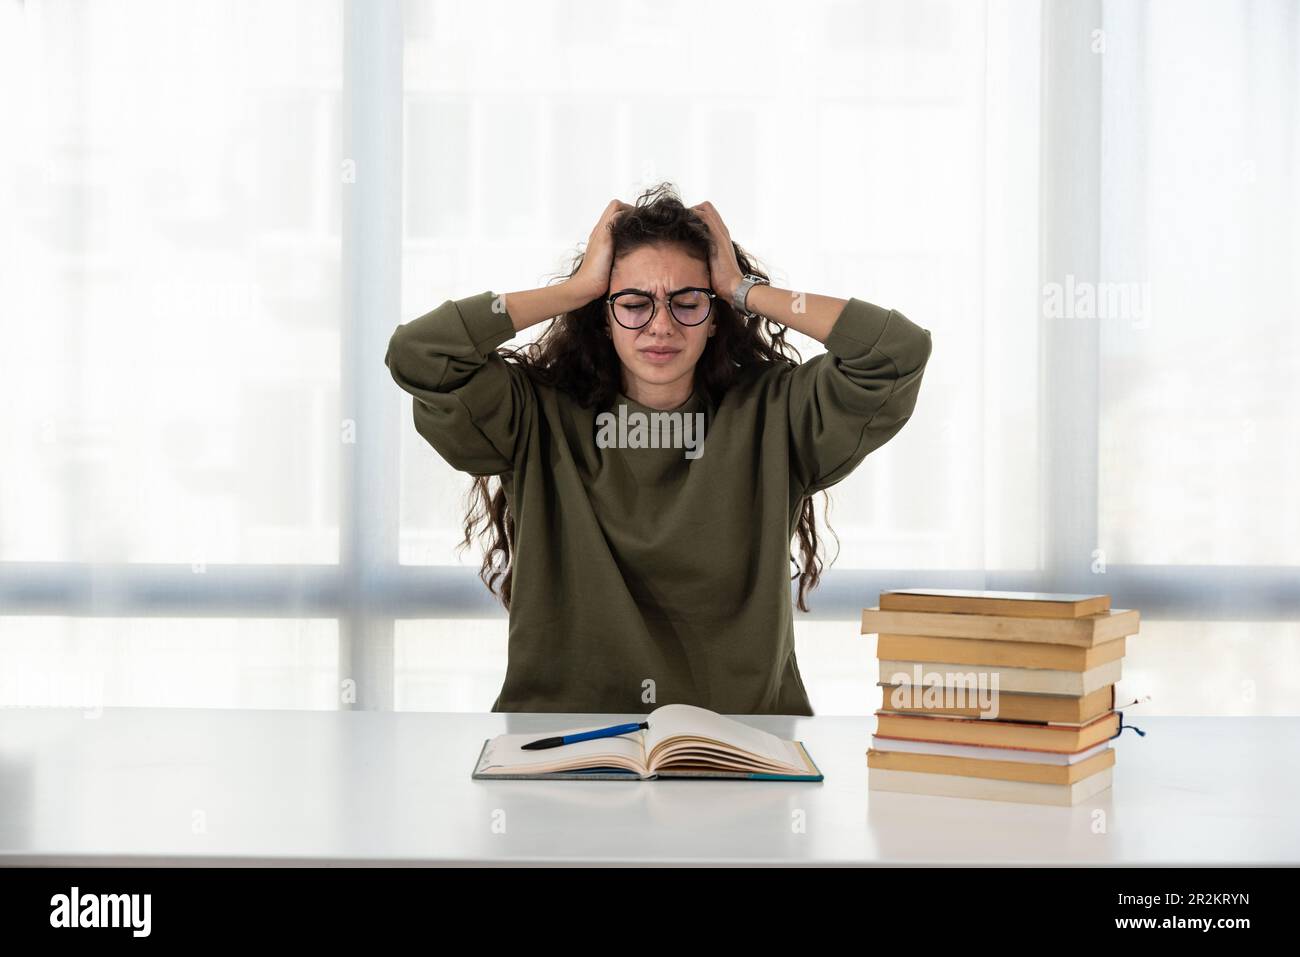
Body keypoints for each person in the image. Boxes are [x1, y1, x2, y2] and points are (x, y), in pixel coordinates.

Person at [384, 183, 933, 715]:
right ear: (604, 313)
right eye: (634, 303)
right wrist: (574, 290)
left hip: (739, 745)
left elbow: (895, 351)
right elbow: (420, 354)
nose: (661, 326)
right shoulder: (537, 411)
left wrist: (744, 289)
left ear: (715, 315)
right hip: (561, 739)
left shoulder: (777, 412)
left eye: (687, 302)